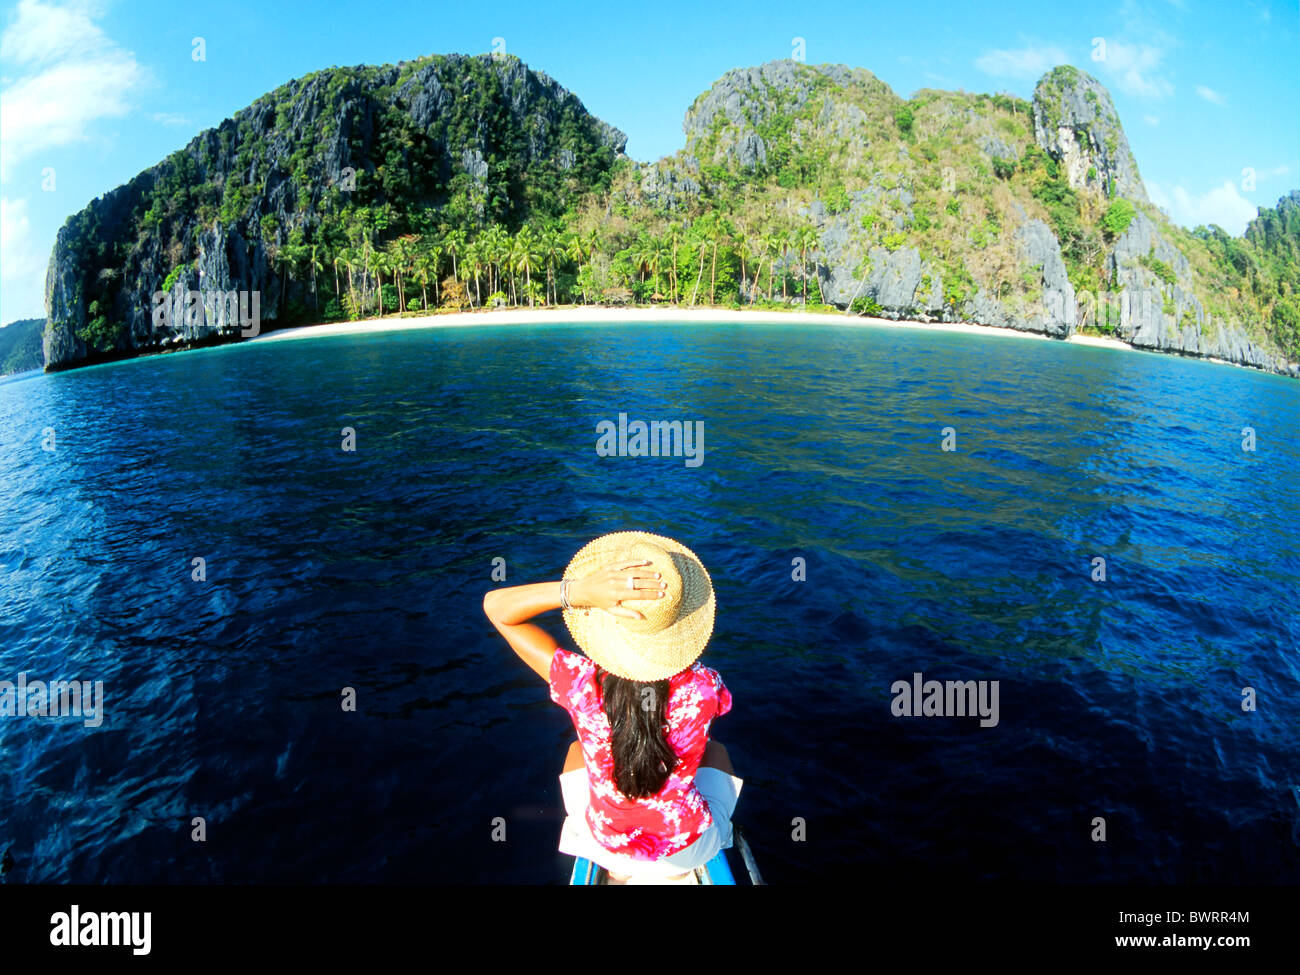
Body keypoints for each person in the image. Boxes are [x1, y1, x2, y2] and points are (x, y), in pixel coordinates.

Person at [482, 530, 741, 883]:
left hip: (607, 845)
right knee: (715, 751)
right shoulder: (706, 685)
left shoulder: (578, 682)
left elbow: (496, 609)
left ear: (604, 621)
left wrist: (577, 591)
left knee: (576, 750)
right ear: (678, 623)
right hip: (687, 848)